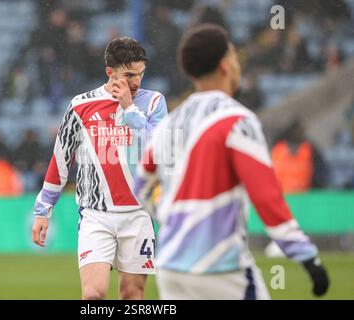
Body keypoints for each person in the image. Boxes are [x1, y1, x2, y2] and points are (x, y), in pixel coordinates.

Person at [133, 24, 329, 300]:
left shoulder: (170, 124)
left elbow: (140, 186)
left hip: (171, 267)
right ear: (226, 65)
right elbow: (267, 198)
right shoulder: (238, 121)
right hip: (220, 268)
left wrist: (169, 216)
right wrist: (307, 257)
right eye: (235, 58)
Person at [31, 37, 168, 300]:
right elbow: (60, 160)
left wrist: (129, 108)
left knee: (132, 296)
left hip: (138, 214)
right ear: (110, 71)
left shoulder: (153, 103)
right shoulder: (81, 105)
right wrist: (43, 210)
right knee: (93, 295)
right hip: (96, 215)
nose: (137, 81)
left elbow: (160, 148)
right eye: (129, 75)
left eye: (140, 73)